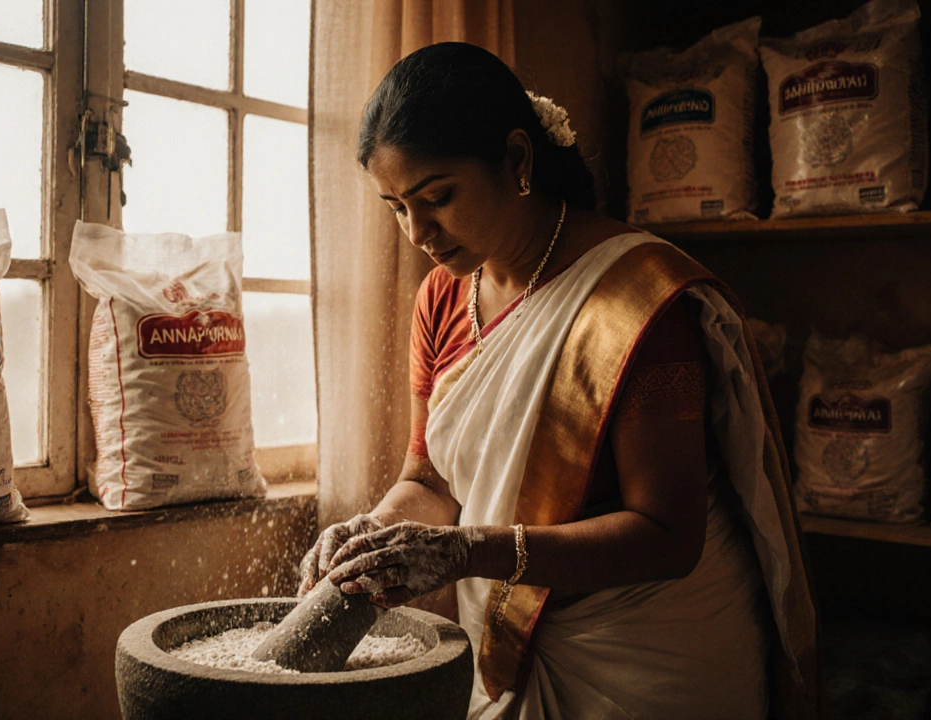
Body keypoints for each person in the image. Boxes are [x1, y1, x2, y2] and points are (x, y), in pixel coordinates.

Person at [297, 42, 819, 720]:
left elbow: (667, 534)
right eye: (396, 206)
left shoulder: (635, 303)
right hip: (511, 638)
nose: (418, 232)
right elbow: (428, 481)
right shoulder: (442, 298)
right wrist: (374, 537)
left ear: (517, 160)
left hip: (651, 661)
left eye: (438, 198)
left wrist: (465, 551)